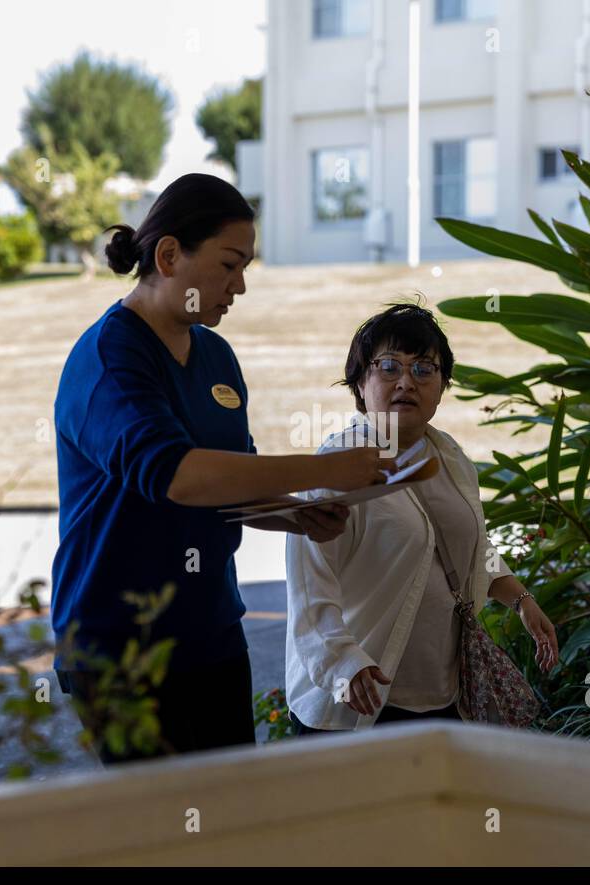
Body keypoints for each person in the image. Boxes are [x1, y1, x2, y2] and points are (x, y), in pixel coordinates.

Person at [50, 173, 387, 763]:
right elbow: (179, 475)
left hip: (212, 633)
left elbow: (232, 477)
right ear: (170, 254)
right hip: (123, 651)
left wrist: (296, 515)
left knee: (227, 825)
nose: (240, 287)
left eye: (246, 269)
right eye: (230, 265)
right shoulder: (109, 358)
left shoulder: (214, 354)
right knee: (166, 839)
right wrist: (324, 467)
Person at [285, 302, 559, 734]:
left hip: (444, 696)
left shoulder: (449, 455)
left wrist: (521, 599)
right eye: (389, 367)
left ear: (443, 385)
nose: (406, 382)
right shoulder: (337, 467)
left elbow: (471, 548)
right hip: (361, 700)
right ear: (360, 382)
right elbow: (309, 584)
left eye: (424, 369)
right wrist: (344, 662)